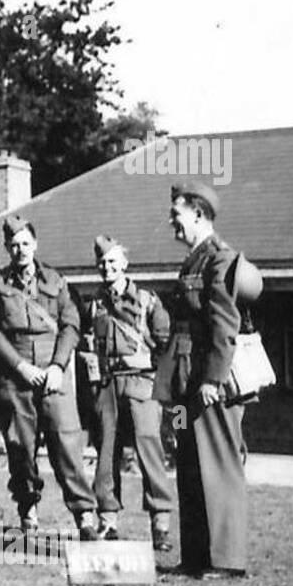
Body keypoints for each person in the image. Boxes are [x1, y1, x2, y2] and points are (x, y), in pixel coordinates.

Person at [0, 215, 99, 540]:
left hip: (53, 375)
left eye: (25, 243)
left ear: (35, 244)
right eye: (14, 244)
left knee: (67, 445)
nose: (20, 250)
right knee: (21, 449)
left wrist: (59, 366)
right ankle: (28, 510)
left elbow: (70, 325)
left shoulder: (57, 282)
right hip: (16, 378)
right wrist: (20, 367)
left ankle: (84, 515)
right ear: (7, 247)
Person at [153, 184, 248, 579]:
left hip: (208, 383)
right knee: (190, 465)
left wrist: (213, 379)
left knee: (219, 466)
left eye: (176, 213)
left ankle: (227, 560)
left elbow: (225, 325)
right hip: (184, 382)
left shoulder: (218, 259)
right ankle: (195, 556)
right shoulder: (193, 261)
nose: (172, 221)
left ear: (197, 213)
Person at [83, 235, 177, 549]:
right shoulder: (95, 304)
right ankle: (107, 521)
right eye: (102, 262)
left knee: (149, 451)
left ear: (124, 264)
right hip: (108, 387)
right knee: (106, 455)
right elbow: (88, 344)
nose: (106, 267)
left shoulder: (148, 301)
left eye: (112, 262)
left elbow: (168, 347)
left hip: (142, 385)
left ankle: (160, 524)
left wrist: (146, 359)